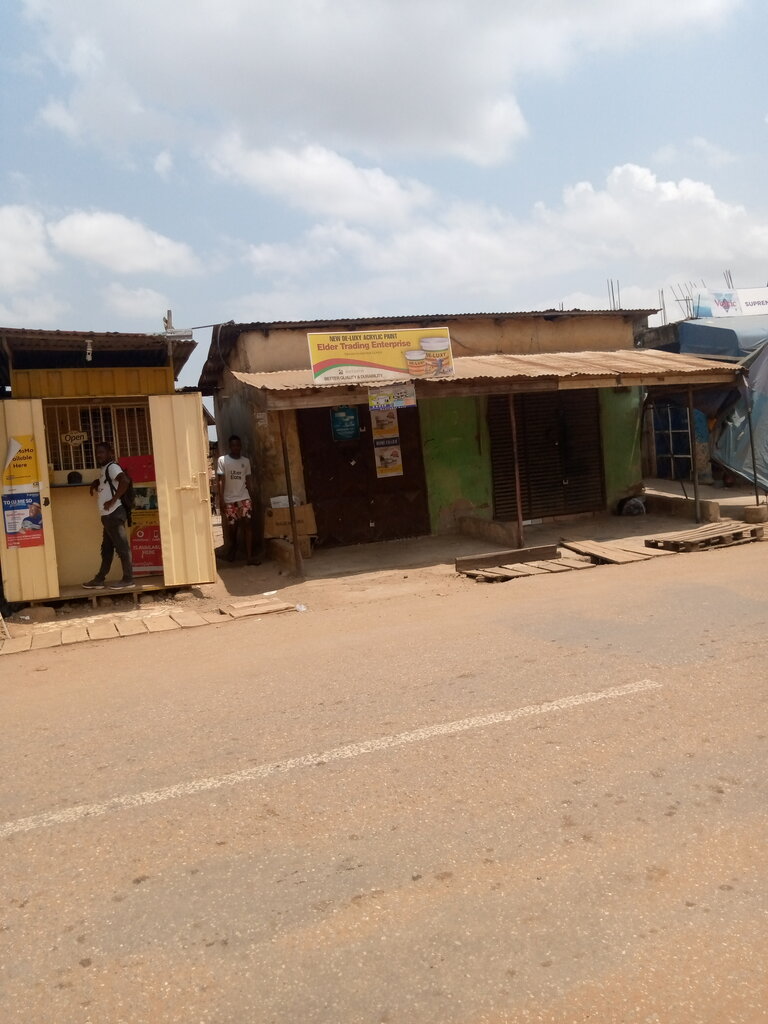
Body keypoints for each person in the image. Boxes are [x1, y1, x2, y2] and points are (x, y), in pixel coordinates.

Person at [82, 442, 134, 590]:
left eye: (102, 452)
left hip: (114, 513)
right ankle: (99, 579)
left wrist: (112, 500)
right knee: (106, 549)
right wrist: (96, 482)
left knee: (122, 547)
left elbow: (124, 481)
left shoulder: (112, 467)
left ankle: (128, 579)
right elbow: (109, 482)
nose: (99, 455)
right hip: (108, 516)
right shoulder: (105, 469)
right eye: (97, 452)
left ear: (110, 453)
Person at [217, 434, 258, 564]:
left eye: (238, 445)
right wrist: (222, 500)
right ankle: (232, 552)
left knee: (247, 525)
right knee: (233, 528)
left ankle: (249, 557)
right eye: (233, 445)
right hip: (229, 499)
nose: (236, 447)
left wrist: (252, 497)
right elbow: (220, 482)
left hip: (244, 498)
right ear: (230, 446)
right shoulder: (222, 460)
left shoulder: (245, 462)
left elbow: (248, 480)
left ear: (240, 446)